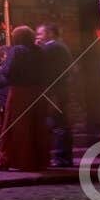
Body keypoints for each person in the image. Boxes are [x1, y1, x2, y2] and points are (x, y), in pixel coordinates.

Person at [0, 26, 49, 171]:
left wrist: (5, 74)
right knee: (35, 125)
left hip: (19, 91)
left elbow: (8, 70)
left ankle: (15, 160)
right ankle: (37, 160)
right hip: (37, 91)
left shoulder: (17, 50)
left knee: (15, 126)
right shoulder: (39, 51)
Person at [36, 23, 74, 167]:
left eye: (40, 34)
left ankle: (61, 157)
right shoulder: (59, 46)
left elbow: (43, 67)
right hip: (60, 90)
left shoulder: (52, 48)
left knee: (58, 124)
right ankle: (63, 156)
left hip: (56, 92)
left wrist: (37, 48)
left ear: (50, 33)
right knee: (59, 123)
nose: (37, 37)